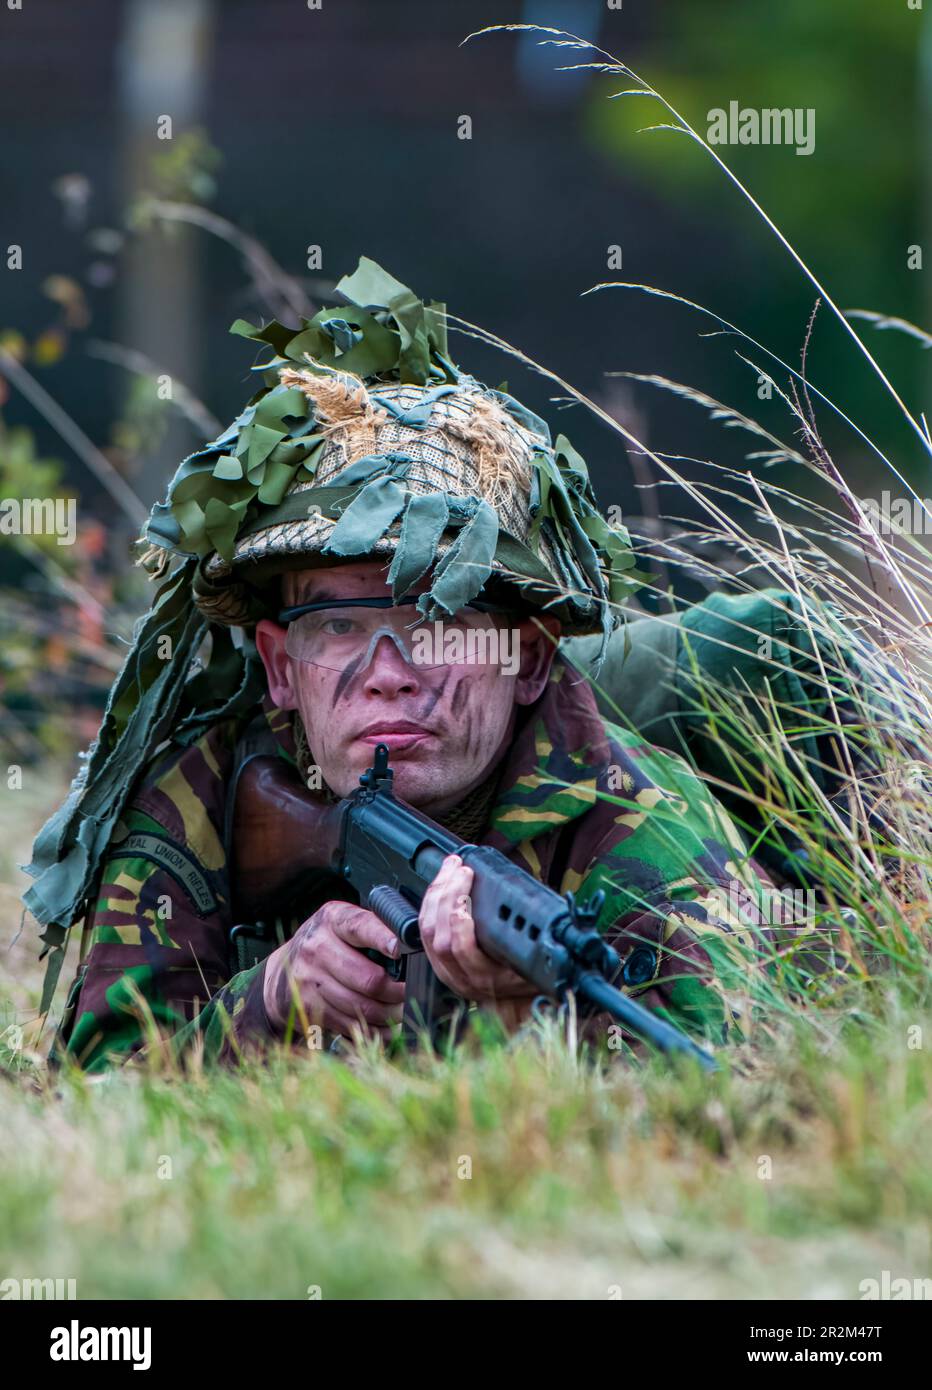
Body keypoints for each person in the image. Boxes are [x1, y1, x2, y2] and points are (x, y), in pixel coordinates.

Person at [26, 258, 775, 1072]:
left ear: (526, 659)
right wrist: (267, 1000)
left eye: (437, 617)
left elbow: (726, 1082)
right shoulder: (202, 801)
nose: (389, 673)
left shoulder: (636, 819)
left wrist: (523, 1022)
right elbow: (100, 1102)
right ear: (279, 667)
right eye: (340, 625)